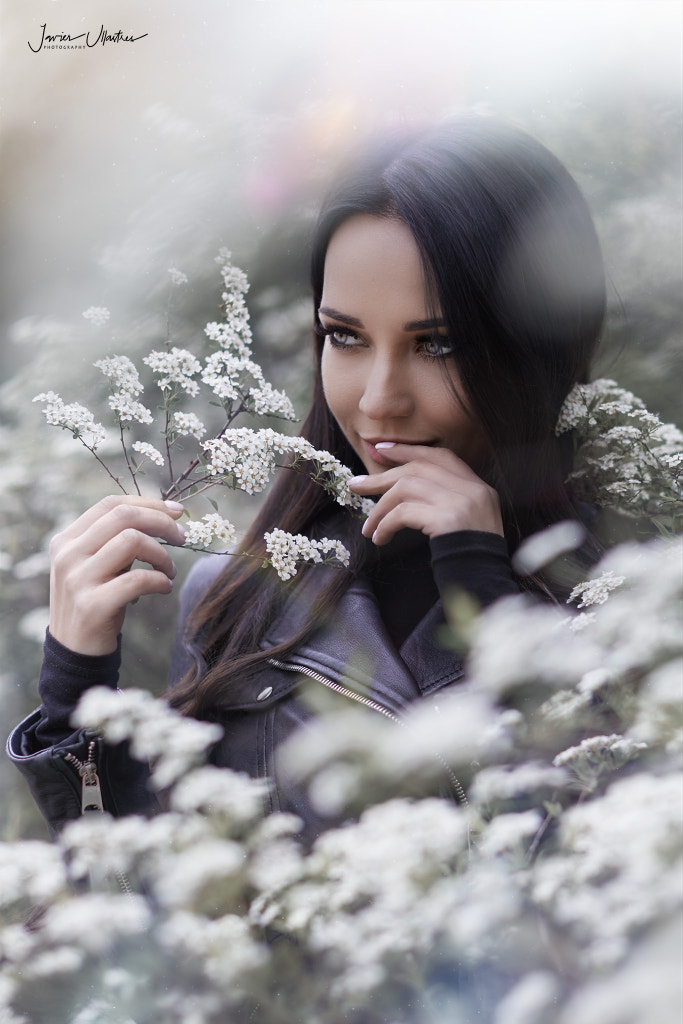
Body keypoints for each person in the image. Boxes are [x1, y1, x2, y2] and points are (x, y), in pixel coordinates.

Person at [8, 117, 606, 840]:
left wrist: (486, 599)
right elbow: (167, 913)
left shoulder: (631, 609)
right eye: (345, 336)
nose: (379, 398)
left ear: (536, 347)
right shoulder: (237, 602)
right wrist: (76, 693)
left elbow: (602, 892)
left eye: (437, 344)